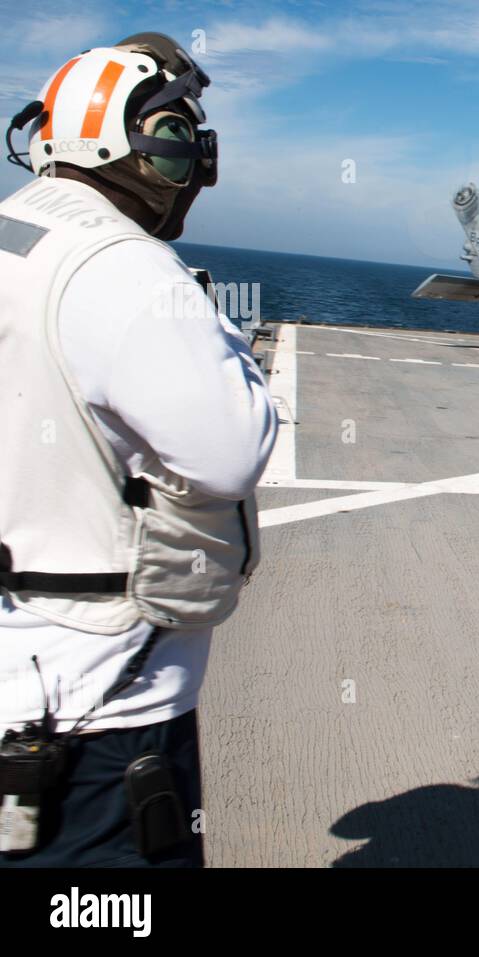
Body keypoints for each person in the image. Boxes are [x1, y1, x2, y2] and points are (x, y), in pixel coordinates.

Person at [0, 33, 276, 866]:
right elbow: (232, 449)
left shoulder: (18, 239)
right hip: (101, 704)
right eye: (178, 143)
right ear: (134, 147)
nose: (190, 168)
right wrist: (220, 340)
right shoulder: (127, 270)